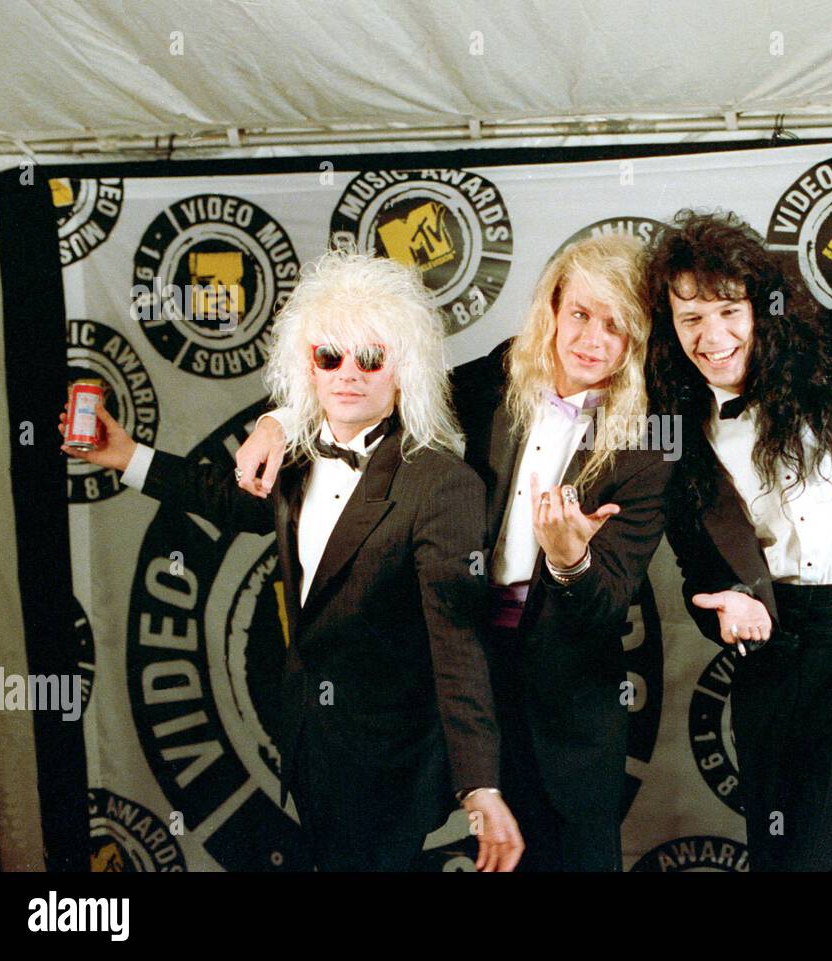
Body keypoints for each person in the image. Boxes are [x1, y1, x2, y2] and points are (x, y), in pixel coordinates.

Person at [61, 250, 523, 872]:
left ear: (401, 370)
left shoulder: (441, 484)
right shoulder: (298, 458)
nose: (347, 374)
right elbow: (227, 499)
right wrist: (126, 456)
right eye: (329, 356)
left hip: (392, 762)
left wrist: (479, 785)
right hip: (308, 742)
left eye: (371, 358)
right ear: (307, 364)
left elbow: (457, 641)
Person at [237, 235, 673, 871]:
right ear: (551, 308)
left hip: (565, 698)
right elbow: (376, 386)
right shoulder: (488, 385)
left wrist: (568, 561)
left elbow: (603, 605)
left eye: (617, 325)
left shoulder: (649, 445)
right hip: (451, 674)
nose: (593, 339)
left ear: (639, 339)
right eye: (580, 314)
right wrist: (278, 419)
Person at [644, 210, 832, 871]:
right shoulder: (675, 427)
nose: (712, 336)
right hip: (774, 663)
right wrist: (729, 603)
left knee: (828, 858)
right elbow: (699, 569)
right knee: (778, 856)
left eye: (729, 310)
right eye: (691, 319)